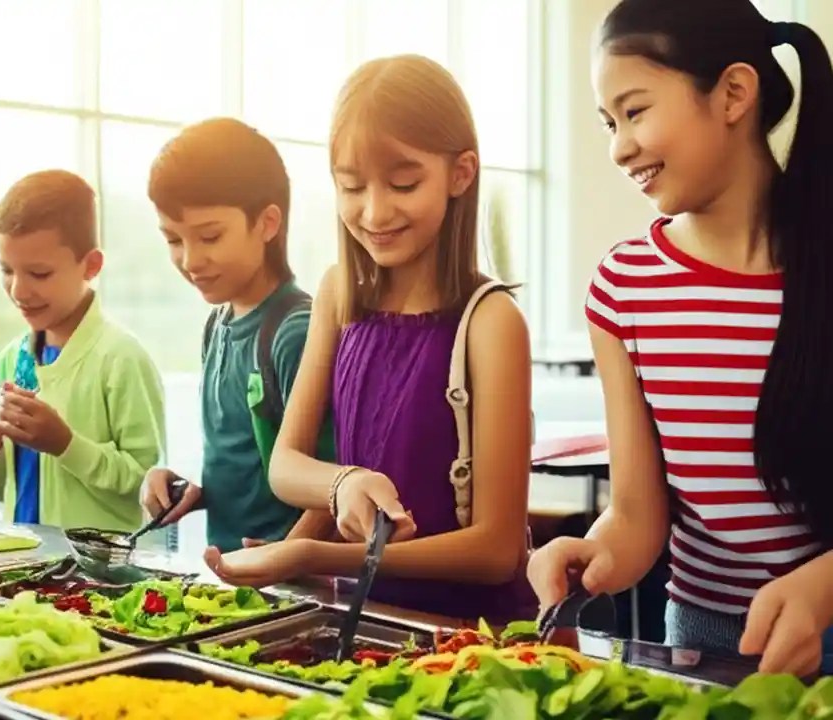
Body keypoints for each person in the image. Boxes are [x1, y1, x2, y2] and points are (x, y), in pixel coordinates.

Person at [528, 0, 833, 677]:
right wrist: (594, 553)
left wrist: (822, 590)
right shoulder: (623, 286)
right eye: (609, 122)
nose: (618, 147)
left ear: (732, 93)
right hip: (696, 638)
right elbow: (637, 514)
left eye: (635, 111)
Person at [204, 55, 538, 623]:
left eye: (404, 183)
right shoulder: (339, 292)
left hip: (470, 635)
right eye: (351, 186)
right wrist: (344, 484)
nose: (375, 211)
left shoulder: (491, 320)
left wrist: (316, 554)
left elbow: (497, 551)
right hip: (367, 621)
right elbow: (285, 465)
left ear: (461, 174)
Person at [140, 118, 335, 553]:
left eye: (210, 236)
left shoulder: (296, 334)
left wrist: (283, 560)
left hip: (292, 588)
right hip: (232, 580)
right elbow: (247, 471)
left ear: (267, 224)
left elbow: (336, 485)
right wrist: (190, 492)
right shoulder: (218, 324)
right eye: (174, 239)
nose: (190, 260)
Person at [0, 170, 165, 531]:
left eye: (39, 273)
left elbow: (146, 487)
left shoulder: (121, 358)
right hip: (24, 563)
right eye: (7, 270)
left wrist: (66, 444)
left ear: (91, 266)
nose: (18, 290)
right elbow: (6, 490)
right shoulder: (12, 359)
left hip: (98, 576)